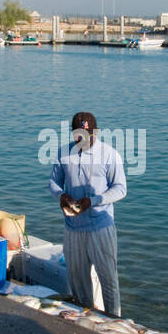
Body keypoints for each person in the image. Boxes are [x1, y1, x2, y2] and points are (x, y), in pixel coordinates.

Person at [48, 112, 126, 316]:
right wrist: (61, 196)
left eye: (88, 134)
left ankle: (115, 321)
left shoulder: (110, 155)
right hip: (73, 228)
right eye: (79, 134)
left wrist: (94, 201)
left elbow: (120, 189)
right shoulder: (63, 153)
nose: (84, 139)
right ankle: (86, 322)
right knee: (78, 283)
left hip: (101, 227)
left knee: (108, 280)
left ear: (96, 132)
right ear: (73, 133)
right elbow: (53, 182)